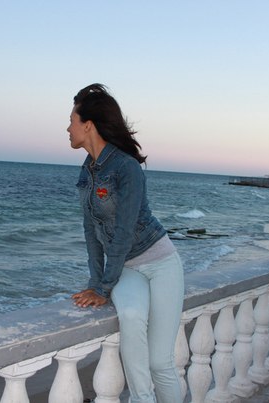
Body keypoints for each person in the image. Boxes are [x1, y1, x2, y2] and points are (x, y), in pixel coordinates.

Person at [69, 83, 185, 403]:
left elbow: (123, 231)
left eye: (72, 120)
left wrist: (105, 287)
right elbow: (91, 231)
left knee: (160, 362)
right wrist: (95, 283)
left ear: (88, 125)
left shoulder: (126, 167)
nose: (68, 128)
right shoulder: (87, 171)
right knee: (131, 315)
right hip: (128, 269)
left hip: (161, 263)